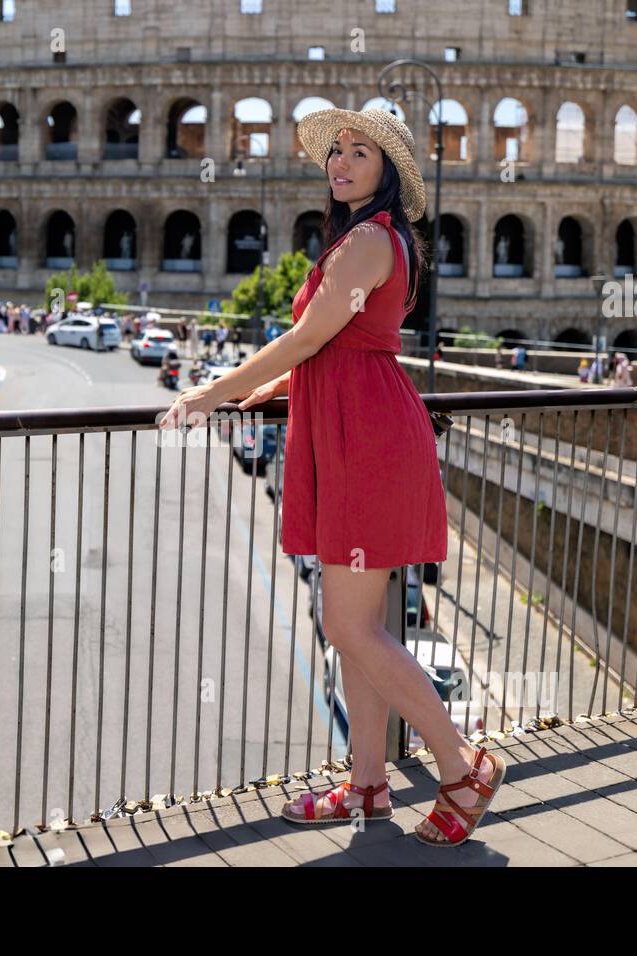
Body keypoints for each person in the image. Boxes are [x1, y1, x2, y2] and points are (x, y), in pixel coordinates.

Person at [157, 105, 502, 845]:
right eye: (335, 152)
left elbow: (309, 335)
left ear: (387, 173)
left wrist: (209, 392)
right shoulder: (375, 241)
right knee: (360, 629)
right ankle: (368, 787)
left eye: (359, 153)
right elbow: (347, 343)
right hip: (357, 428)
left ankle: (462, 765)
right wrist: (280, 388)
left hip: (365, 442)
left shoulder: (369, 241)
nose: (340, 163)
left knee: (346, 625)